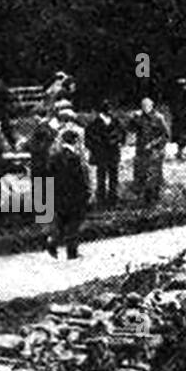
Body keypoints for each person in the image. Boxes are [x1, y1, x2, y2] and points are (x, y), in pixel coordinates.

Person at [45, 129, 90, 260]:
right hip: (73, 195)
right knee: (74, 223)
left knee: (60, 222)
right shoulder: (75, 158)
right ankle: (71, 251)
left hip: (58, 195)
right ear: (75, 142)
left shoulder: (54, 157)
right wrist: (86, 192)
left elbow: (49, 175)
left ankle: (52, 243)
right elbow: (80, 179)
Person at [129, 97, 170, 205]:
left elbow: (166, 135)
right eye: (143, 106)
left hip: (155, 151)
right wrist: (132, 119)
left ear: (152, 106)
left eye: (147, 106)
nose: (145, 108)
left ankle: (155, 197)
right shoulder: (139, 117)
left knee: (154, 174)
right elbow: (131, 129)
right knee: (141, 173)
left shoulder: (158, 118)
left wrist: (153, 144)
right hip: (141, 150)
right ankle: (145, 197)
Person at [85, 101, 124, 205]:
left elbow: (122, 133)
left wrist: (118, 141)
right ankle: (101, 199)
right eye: (109, 109)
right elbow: (88, 140)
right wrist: (96, 148)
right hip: (101, 153)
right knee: (101, 177)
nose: (111, 111)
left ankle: (113, 198)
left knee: (113, 176)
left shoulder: (115, 121)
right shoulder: (94, 123)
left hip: (113, 152)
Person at [169, 78, 186, 160]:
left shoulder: (183, 97)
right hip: (181, 119)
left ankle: (180, 152)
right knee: (182, 137)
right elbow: (176, 109)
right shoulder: (177, 98)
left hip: (183, 119)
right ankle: (179, 152)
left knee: (185, 137)